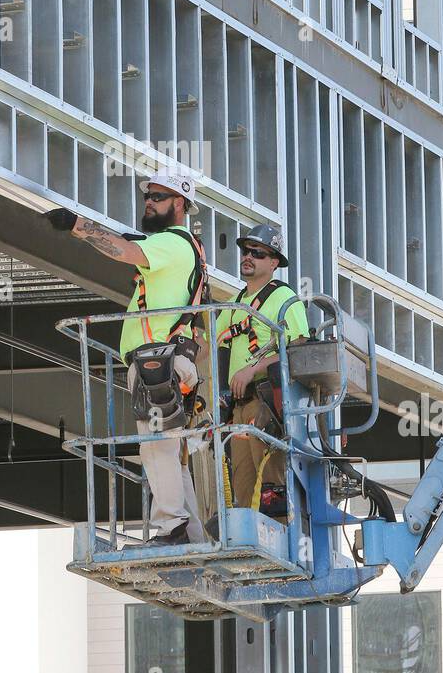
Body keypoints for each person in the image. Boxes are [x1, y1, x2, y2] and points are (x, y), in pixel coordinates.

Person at [45, 171, 207, 546]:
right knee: (169, 450)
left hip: (157, 363)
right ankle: (192, 535)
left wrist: (76, 226)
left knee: (155, 447)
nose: (149, 201)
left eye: (159, 197)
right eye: (148, 195)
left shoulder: (172, 242)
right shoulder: (182, 247)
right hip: (168, 362)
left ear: (180, 204)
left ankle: (173, 529)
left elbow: (124, 251)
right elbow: (128, 241)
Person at [215, 224, 309, 515]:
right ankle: (250, 548)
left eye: (257, 253)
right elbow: (212, 342)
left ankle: (280, 543)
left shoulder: (284, 298)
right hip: (238, 408)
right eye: (246, 251)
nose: (248, 257)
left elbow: (299, 345)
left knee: (271, 486)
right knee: (242, 488)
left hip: (266, 402)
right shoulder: (235, 303)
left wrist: (252, 369)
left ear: (274, 262)